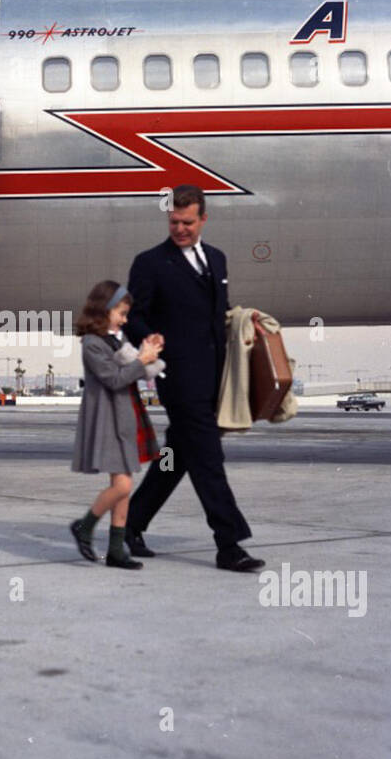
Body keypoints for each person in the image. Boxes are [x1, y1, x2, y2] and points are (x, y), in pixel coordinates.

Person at [124, 184, 264, 572]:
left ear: (204, 219)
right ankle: (228, 543)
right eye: (174, 222)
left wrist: (241, 320)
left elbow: (214, 313)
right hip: (179, 378)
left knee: (178, 456)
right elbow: (132, 317)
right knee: (208, 459)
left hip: (215, 377)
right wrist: (149, 340)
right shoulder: (150, 263)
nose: (180, 229)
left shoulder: (217, 260)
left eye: (187, 222)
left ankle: (130, 525)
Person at [70, 280, 164, 570]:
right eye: (121, 313)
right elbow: (114, 379)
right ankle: (84, 526)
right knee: (123, 485)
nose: (124, 319)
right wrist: (142, 361)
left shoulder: (115, 340)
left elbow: (140, 369)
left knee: (121, 483)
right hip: (108, 420)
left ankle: (115, 550)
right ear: (104, 309)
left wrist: (149, 352)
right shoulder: (92, 343)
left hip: (125, 415)